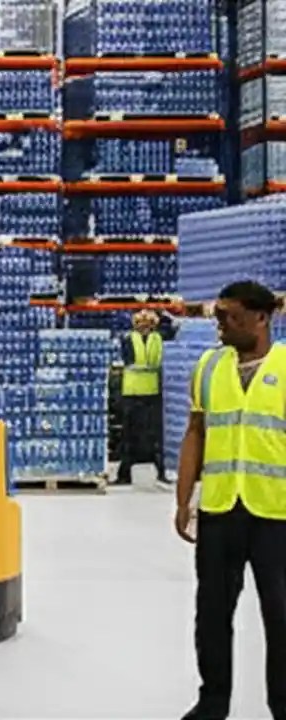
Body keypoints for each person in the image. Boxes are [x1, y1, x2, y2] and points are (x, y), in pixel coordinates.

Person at [175, 280, 286, 720]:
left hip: (276, 514)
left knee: (280, 617)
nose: (220, 324)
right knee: (212, 613)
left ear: (261, 318)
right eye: (218, 315)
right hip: (220, 511)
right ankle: (213, 701)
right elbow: (195, 433)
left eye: (230, 316)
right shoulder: (207, 367)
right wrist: (184, 500)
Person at [117, 310, 165, 485]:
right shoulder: (128, 339)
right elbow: (129, 360)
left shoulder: (157, 339)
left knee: (155, 436)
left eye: (148, 323)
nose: (145, 326)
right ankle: (125, 474)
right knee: (129, 436)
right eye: (141, 323)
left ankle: (161, 471)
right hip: (132, 392)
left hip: (151, 392)